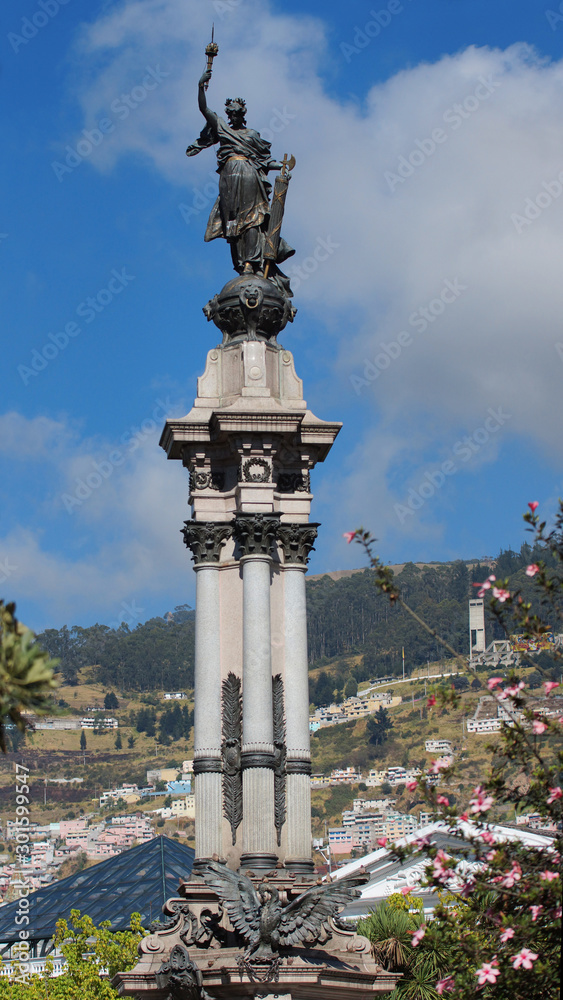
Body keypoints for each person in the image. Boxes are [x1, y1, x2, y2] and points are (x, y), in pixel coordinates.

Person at [186, 69, 294, 278]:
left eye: (237, 113)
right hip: (229, 180)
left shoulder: (252, 135)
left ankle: (252, 263)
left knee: (253, 219)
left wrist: (280, 167)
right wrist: (201, 86)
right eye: (231, 114)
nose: (233, 117)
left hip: (250, 177)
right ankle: (240, 263)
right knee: (232, 224)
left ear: (243, 115)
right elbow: (203, 108)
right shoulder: (222, 129)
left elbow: (263, 160)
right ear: (228, 115)